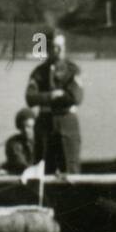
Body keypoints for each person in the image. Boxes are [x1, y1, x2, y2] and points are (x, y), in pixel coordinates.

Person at [26, 28, 83, 173]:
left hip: (67, 124)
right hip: (45, 125)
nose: (58, 50)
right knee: (43, 169)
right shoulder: (39, 72)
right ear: (47, 49)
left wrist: (45, 98)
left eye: (61, 46)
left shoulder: (72, 70)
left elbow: (75, 97)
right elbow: (30, 97)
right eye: (54, 47)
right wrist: (52, 95)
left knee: (70, 168)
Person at [4, 108, 38, 175]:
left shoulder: (41, 141)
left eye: (29, 127)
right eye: (23, 127)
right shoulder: (13, 143)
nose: (26, 130)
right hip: (20, 175)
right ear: (19, 127)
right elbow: (20, 164)